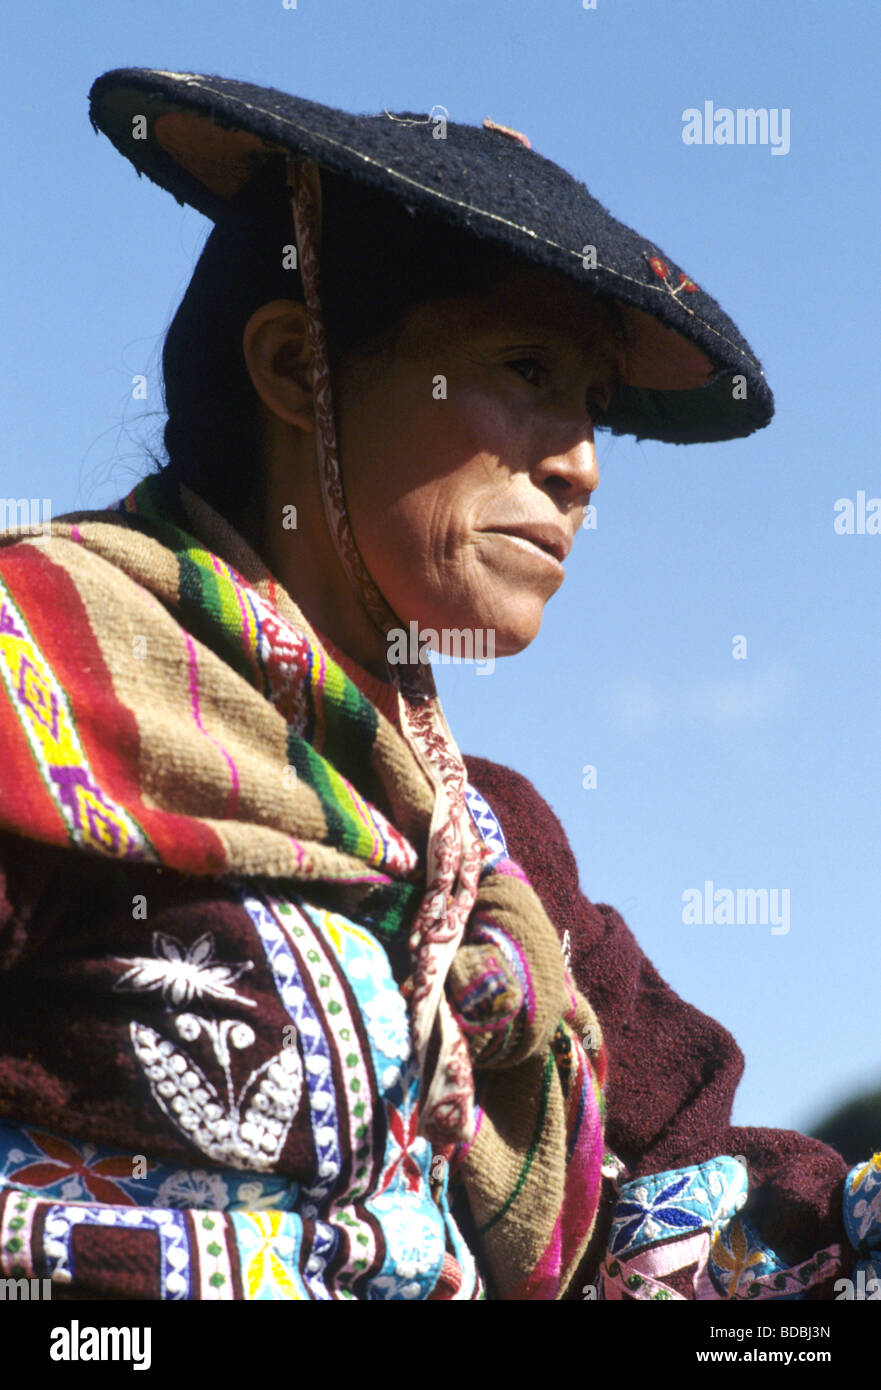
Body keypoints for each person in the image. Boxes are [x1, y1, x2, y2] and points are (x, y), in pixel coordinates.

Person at [0, 66, 876, 1301]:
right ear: (297, 364)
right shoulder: (35, 677)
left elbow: (709, 1190)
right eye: (525, 368)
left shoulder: (497, 848)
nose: (580, 467)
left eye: (595, 408)